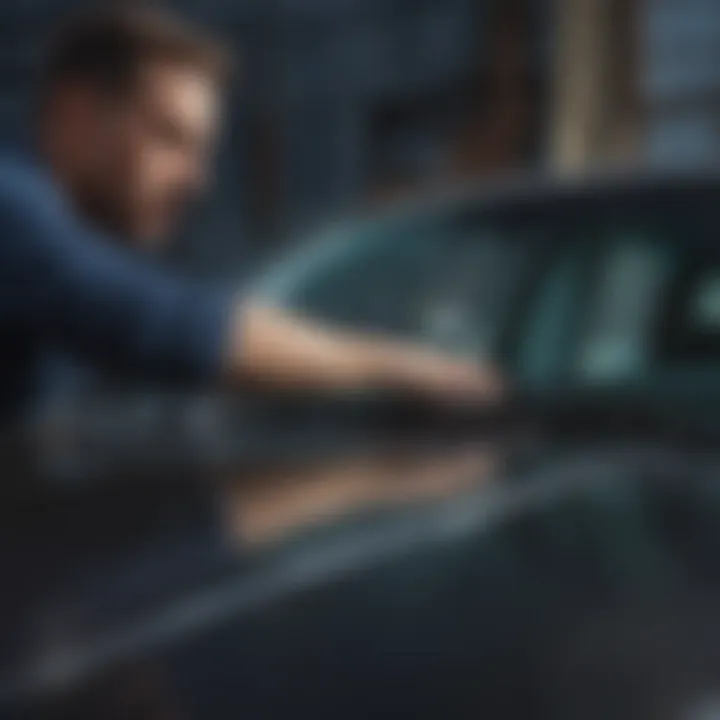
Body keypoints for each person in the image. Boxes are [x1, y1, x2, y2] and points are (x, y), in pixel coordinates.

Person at [0, 5, 502, 425]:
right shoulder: (12, 210)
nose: (198, 181)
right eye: (170, 138)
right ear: (79, 113)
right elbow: (161, 325)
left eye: (204, 153)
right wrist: (405, 370)